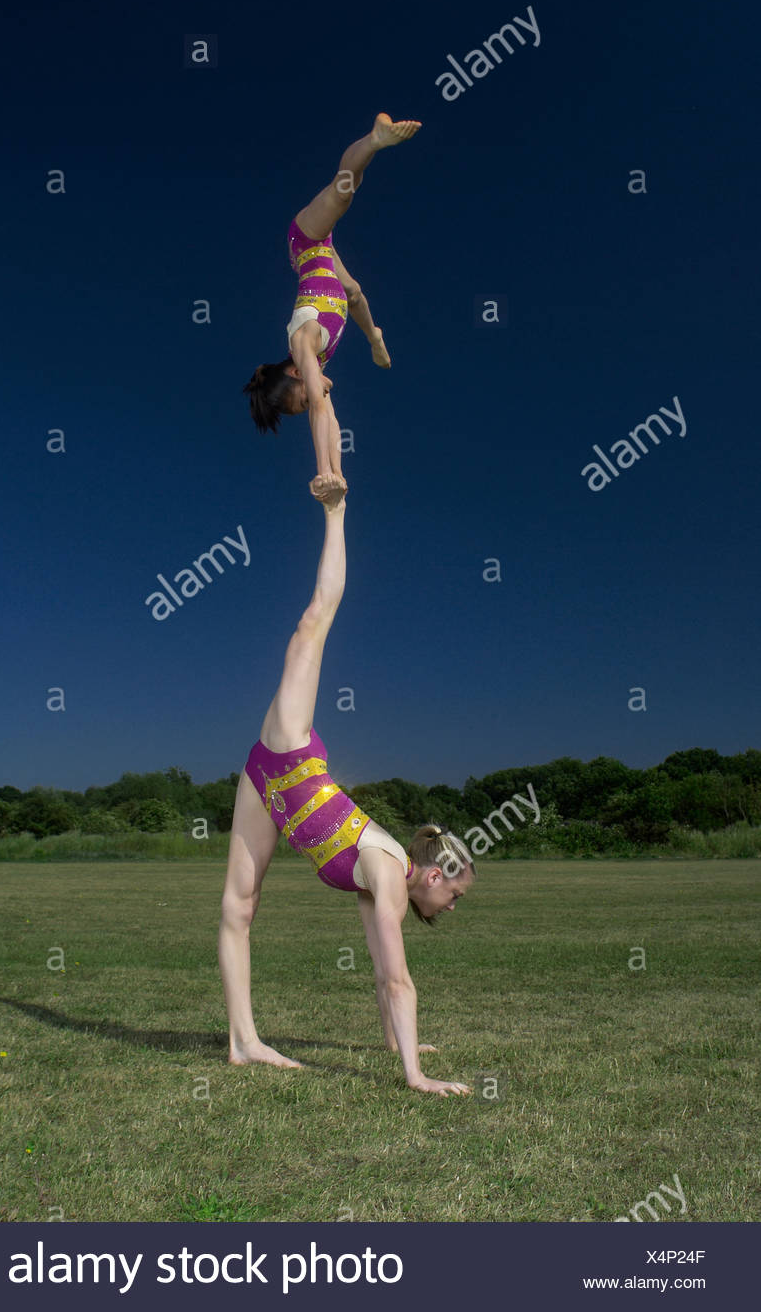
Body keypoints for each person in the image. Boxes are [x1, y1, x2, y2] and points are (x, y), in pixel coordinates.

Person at [218, 474, 474, 1097]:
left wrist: (393, 1037)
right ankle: (336, 511)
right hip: (293, 757)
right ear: (434, 877)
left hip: (266, 786)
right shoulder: (389, 873)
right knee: (314, 622)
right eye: (458, 895)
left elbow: (379, 966)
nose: (452, 908)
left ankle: (243, 1041)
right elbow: (397, 980)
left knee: (240, 908)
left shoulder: (384, 882)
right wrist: (416, 1075)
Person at [242, 114, 422, 489]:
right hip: (331, 269)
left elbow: (319, 411)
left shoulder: (302, 342)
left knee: (341, 194)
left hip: (306, 242)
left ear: (296, 374)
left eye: (303, 397)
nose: (313, 398)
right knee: (354, 292)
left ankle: (374, 139)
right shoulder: (317, 362)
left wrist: (321, 470)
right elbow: (332, 421)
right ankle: (375, 337)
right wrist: (338, 477)